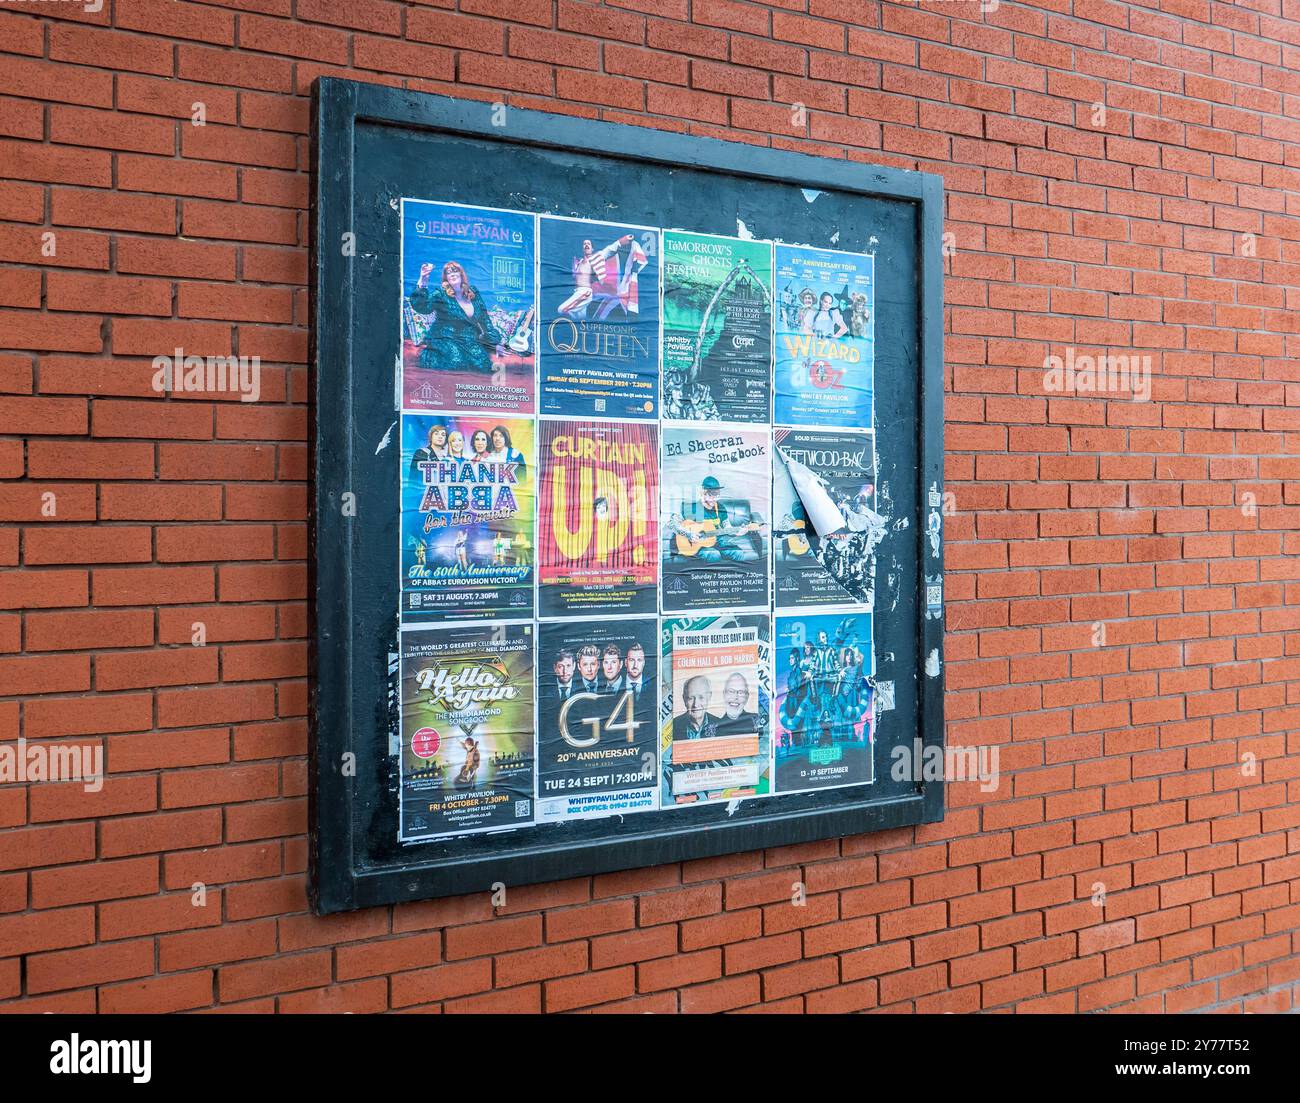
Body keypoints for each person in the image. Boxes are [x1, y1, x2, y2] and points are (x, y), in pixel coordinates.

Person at [409, 260, 505, 374]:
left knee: (484, 365)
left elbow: (484, 319)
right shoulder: (440, 294)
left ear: (461, 274)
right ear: (446, 278)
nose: (452, 274)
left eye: (455, 271)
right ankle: (429, 356)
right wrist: (423, 280)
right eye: (448, 273)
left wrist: (496, 343)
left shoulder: (473, 292)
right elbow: (423, 307)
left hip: (468, 339)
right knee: (456, 360)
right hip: (444, 337)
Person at [673, 475, 749, 564]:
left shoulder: (720, 508)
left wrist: (737, 531)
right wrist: (688, 534)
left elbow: (727, 527)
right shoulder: (692, 508)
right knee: (714, 554)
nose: (714, 499)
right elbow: (672, 523)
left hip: (718, 542)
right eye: (711, 495)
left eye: (717, 495)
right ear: (703, 493)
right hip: (698, 545)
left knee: (738, 553)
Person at [716, 671, 757, 737]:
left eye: (740, 692)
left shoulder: (757, 722)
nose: (735, 697)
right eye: (731, 691)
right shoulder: (714, 729)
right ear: (724, 694)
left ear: (747, 697)